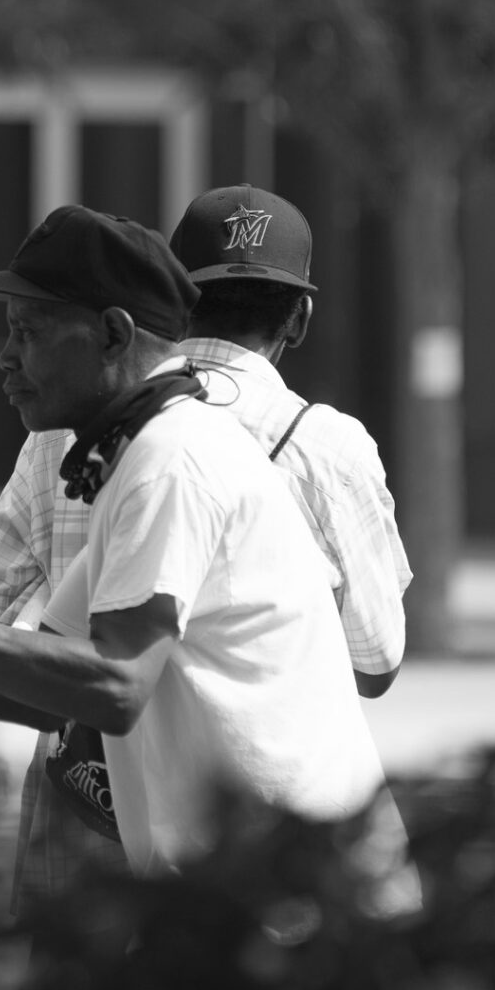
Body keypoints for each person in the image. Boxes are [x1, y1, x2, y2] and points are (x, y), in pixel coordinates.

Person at [0, 205, 391, 880]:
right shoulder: (145, 454)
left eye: (26, 331)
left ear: (113, 334)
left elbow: (115, 687)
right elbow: (46, 691)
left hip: (301, 888)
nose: (5, 357)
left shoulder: (173, 460)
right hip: (260, 880)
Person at [168, 184, 410, 695]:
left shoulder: (71, 431)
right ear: (299, 320)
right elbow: (376, 663)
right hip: (260, 769)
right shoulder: (330, 450)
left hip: (91, 770)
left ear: (172, 302)